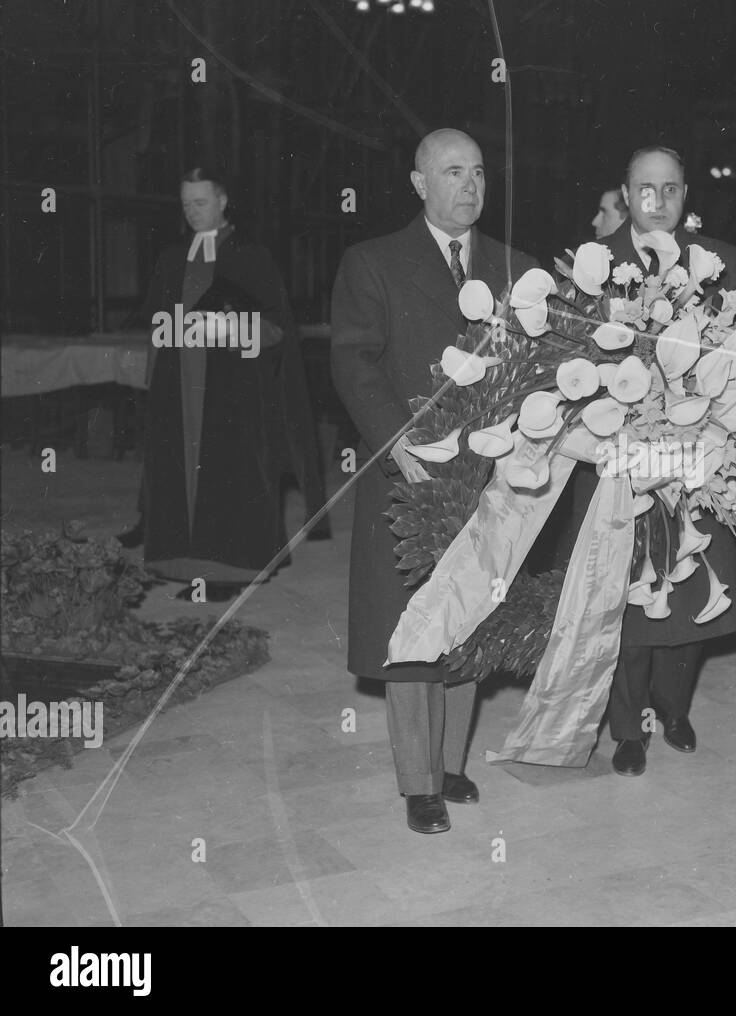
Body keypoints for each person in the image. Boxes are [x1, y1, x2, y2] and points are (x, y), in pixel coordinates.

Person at [330, 129, 537, 835]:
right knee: (412, 629)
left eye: (479, 172)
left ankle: (451, 764)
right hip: (407, 475)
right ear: (419, 183)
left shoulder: (520, 271)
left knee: (472, 618)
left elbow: (539, 372)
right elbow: (354, 363)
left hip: (493, 481)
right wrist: (398, 442)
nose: (470, 185)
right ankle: (420, 784)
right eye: (453, 172)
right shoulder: (373, 263)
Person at [599, 145, 736, 777]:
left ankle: (673, 706)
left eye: (669, 189)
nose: (657, 201)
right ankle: (627, 725)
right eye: (644, 188)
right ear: (626, 192)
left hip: (699, 456)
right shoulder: (597, 265)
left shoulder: (720, 263)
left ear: (686, 195)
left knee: (692, 591)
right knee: (629, 602)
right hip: (623, 457)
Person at [139, 166, 323, 601]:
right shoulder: (171, 256)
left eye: (200, 202)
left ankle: (227, 571)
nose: (192, 212)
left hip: (233, 391)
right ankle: (180, 564)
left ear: (222, 201)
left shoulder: (251, 254)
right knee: (178, 477)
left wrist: (232, 328)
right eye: (185, 204)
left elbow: (278, 327)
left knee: (230, 478)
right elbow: (155, 319)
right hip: (179, 389)